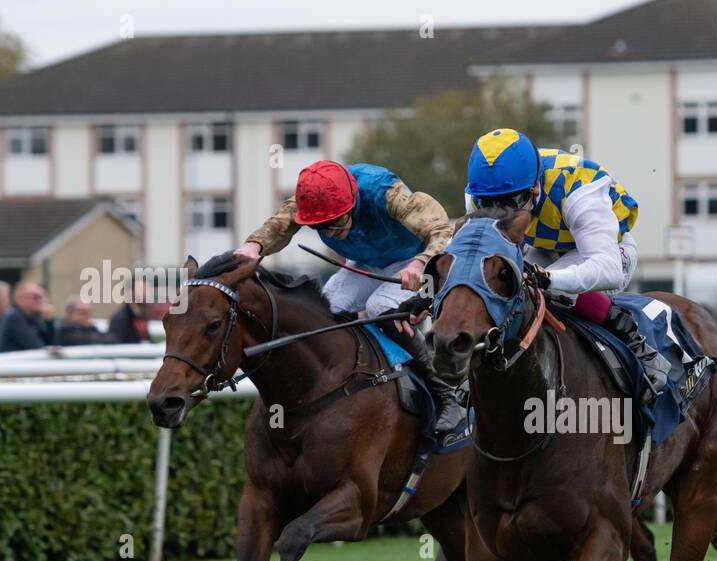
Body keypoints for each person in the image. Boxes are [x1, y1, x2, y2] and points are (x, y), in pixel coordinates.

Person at [233, 159, 461, 436]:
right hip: (365, 262)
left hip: (412, 262)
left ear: (352, 200)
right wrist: (253, 246)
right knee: (327, 307)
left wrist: (420, 264)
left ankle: (444, 391)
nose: (330, 232)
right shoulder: (312, 199)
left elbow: (442, 232)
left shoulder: (384, 191)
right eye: (321, 226)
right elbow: (278, 225)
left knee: (380, 307)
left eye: (335, 222)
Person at [464, 127, 670, 402]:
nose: (501, 214)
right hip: (544, 247)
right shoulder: (478, 192)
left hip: (606, 251)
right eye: (489, 204)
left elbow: (607, 270)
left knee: (548, 289)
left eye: (511, 203)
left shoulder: (579, 190)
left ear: (535, 188)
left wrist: (548, 279)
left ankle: (636, 342)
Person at [0, 280, 54, 352]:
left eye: (43, 296)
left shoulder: (33, 317)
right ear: (21, 298)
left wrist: (49, 322)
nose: (42, 300)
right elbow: (37, 348)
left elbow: (50, 344)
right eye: (36, 296)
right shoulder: (14, 318)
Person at [108, 278, 153, 344]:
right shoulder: (120, 319)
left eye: (148, 288)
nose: (147, 292)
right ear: (130, 292)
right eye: (142, 289)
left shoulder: (141, 316)